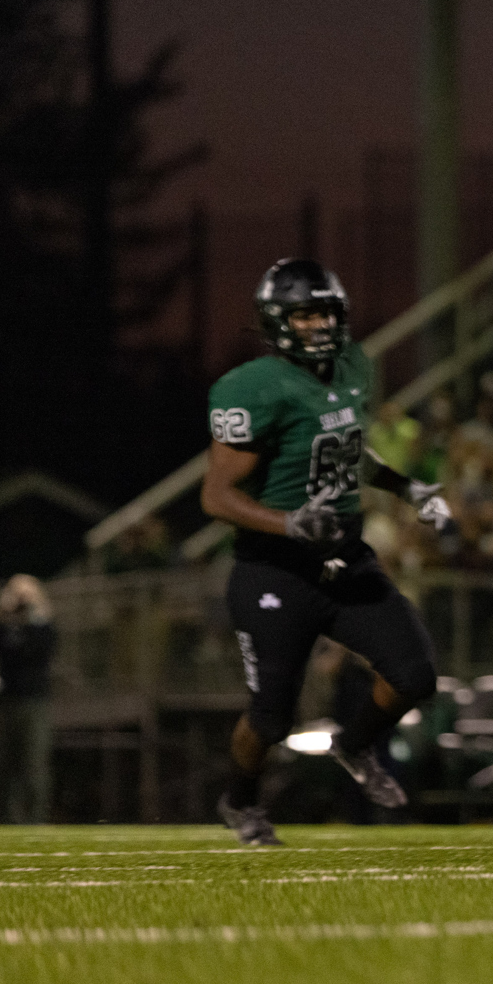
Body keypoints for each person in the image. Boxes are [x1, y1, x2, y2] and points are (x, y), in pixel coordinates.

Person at [202, 259, 453, 847]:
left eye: (326, 313)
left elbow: (348, 450)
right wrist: (288, 523)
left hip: (344, 558)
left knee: (415, 675)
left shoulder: (353, 365)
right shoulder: (251, 388)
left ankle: (355, 743)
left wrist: (409, 488)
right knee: (271, 716)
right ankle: (240, 799)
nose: (319, 325)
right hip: (275, 570)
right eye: (304, 315)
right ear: (276, 321)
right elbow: (216, 495)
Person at [0, 575, 56, 824]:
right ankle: (8, 820)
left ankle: (36, 819)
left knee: (34, 764)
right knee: (4, 764)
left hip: (33, 702)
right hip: (7, 702)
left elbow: (43, 649)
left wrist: (32, 618)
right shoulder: (5, 626)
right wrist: (4, 616)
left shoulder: (42, 626)